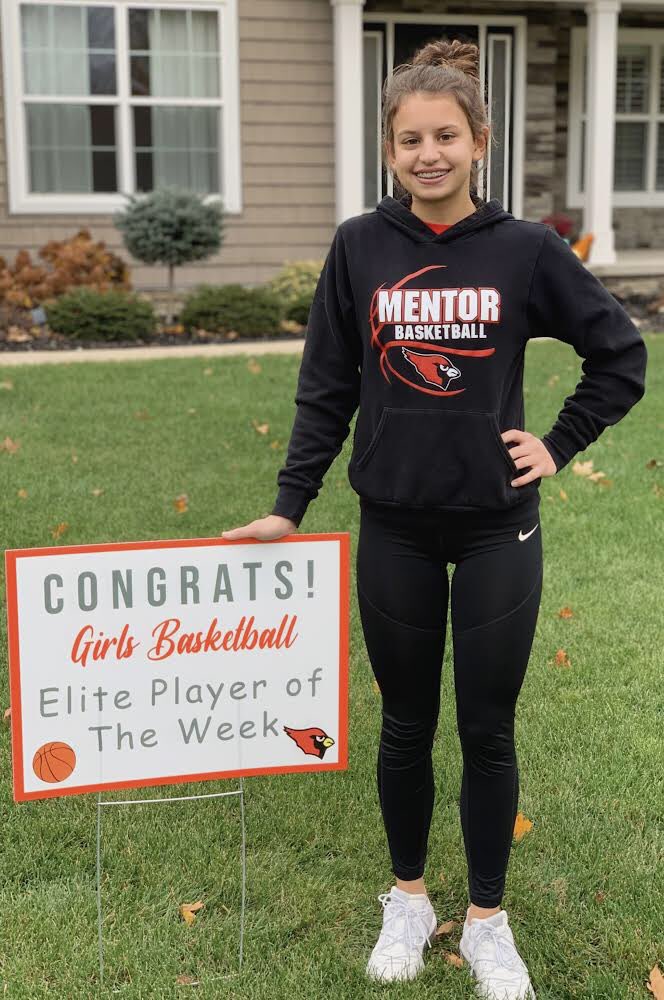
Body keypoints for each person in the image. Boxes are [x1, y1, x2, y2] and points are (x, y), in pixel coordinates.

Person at [221, 38, 647, 1000]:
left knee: (488, 729)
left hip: (499, 525)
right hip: (397, 527)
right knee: (406, 726)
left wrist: (557, 443)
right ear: (389, 148)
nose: (428, 153)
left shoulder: (526, 249)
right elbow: (327, 387)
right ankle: (408, 900)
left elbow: (619, 355)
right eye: (410, 138)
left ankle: (489, 924)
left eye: (445, 136)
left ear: (478, 142)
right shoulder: (359, 247)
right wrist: (290, 505)